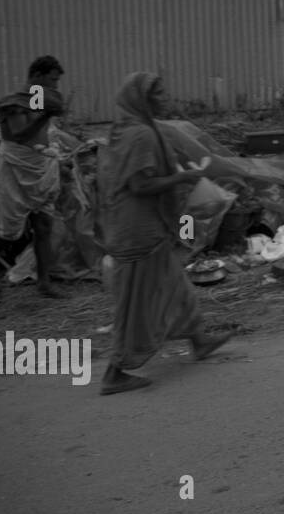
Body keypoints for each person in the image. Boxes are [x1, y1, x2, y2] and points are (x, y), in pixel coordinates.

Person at [95, 73, 233, 395]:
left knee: (174, 283)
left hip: (139, 225)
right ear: (143, 99)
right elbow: (140, 185)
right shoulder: (141, 134)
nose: (165, 98)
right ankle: (115, 372)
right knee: (139, 302)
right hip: (137, 229)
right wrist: (186, 178)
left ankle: (199, 340)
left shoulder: (128, 129)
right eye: (159, 93)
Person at [0, 56, 70, 297]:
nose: (55, 87)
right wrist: (45, 115)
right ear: (37, 76)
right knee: (7, 233)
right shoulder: (12, 104)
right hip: (16, 169)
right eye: (52, 80)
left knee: (44, 226)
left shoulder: (41, 101)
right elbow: (19, 135)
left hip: (40, 168)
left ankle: (44, 283)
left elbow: (45, 135)